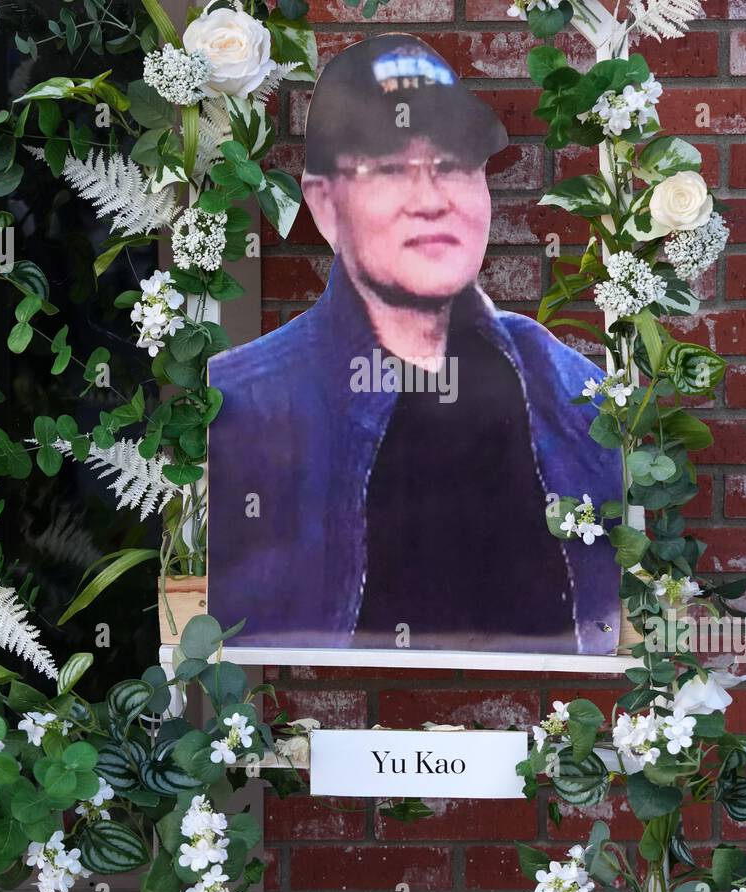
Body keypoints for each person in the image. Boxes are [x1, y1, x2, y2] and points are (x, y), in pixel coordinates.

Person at [207, 33, 621, 656]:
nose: (431, 201)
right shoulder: (237, 402)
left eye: (453, 166)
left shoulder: (567, 388)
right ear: (323, 203)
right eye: (391, 169)